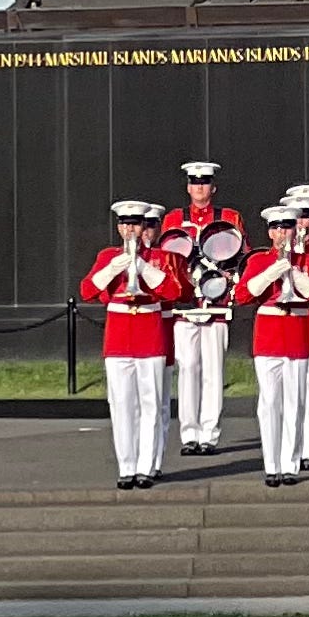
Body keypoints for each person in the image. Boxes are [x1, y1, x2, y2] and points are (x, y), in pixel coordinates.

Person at [239, 187, 309, 486]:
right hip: (269, 338)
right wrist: (271, 273)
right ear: (269, 232)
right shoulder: (258, 260)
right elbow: (242, 295)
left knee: (297, 402)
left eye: (288, 226)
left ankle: (292, 463)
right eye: (277, 227)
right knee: (269, 403)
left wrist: (296, 273)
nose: (284, 232)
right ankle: (271, 465)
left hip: (300, 335)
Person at [77, 201, 190, 490]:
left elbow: (173, 291)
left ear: (143, 228)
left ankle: (146, 466)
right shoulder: (108, 256)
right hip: (118, 336)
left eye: (136, 224)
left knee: (150, 403)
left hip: (149, 334)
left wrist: (142, 267)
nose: (130, 229)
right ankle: (126, 466)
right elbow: (88, 290)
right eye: (125, 224)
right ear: (118, 227)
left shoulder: (157, 257)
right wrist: (113, 270)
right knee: (122, 404)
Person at [158, 160, 247, 456]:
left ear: (213, 187)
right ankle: (189, 434)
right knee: (188, 369)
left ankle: (209, 433)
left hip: (217, 303)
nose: (199, 187)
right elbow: (167, 258)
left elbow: (242, 257)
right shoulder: (174, 218)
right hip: (186, 304)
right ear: (187, 187)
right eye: (195, 182)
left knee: (213, 371)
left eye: (205, 182)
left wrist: (229, 280)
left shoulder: (229, 217)